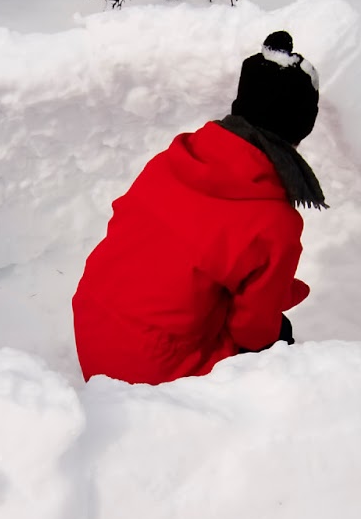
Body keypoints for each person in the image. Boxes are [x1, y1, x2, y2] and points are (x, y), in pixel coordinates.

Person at [72, 31, 327, 385]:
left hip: (92, 327)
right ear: (298, 129)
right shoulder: (274, 222)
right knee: (277, 337)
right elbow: (254, 332)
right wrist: (277, 296)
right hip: (149, 369)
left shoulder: (173, 161)